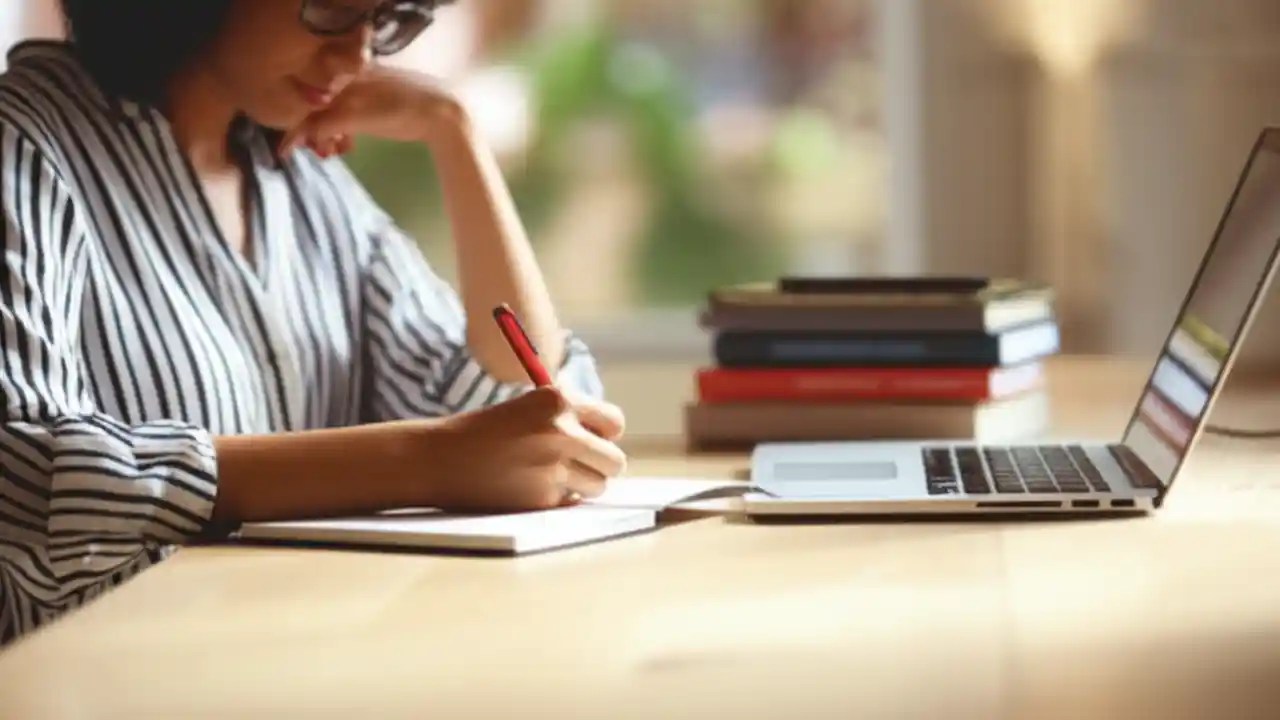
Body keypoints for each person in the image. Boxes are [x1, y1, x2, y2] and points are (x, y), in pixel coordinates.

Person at [0, 0, 627, 645]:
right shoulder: (22, 147)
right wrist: (422, 461)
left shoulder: (299, 178)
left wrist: (452, 128)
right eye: (331, 9)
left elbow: (522, 405)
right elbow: (24, 472)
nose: (358, 57)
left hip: (296, 665)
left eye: (385, 17)